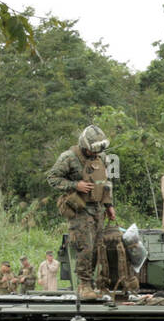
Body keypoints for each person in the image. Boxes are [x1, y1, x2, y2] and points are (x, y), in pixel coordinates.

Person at [47, 124, 116, 300]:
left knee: (98, 248)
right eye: (92, 149)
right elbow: (52, 178)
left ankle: (96, 284)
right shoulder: (69, 157)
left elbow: (105, 182)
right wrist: (75, 185)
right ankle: (84, 285)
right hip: (80, 209)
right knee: (85, 247)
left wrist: (109, 206)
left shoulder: (101, 157)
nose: (95, 153)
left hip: (98, 208)